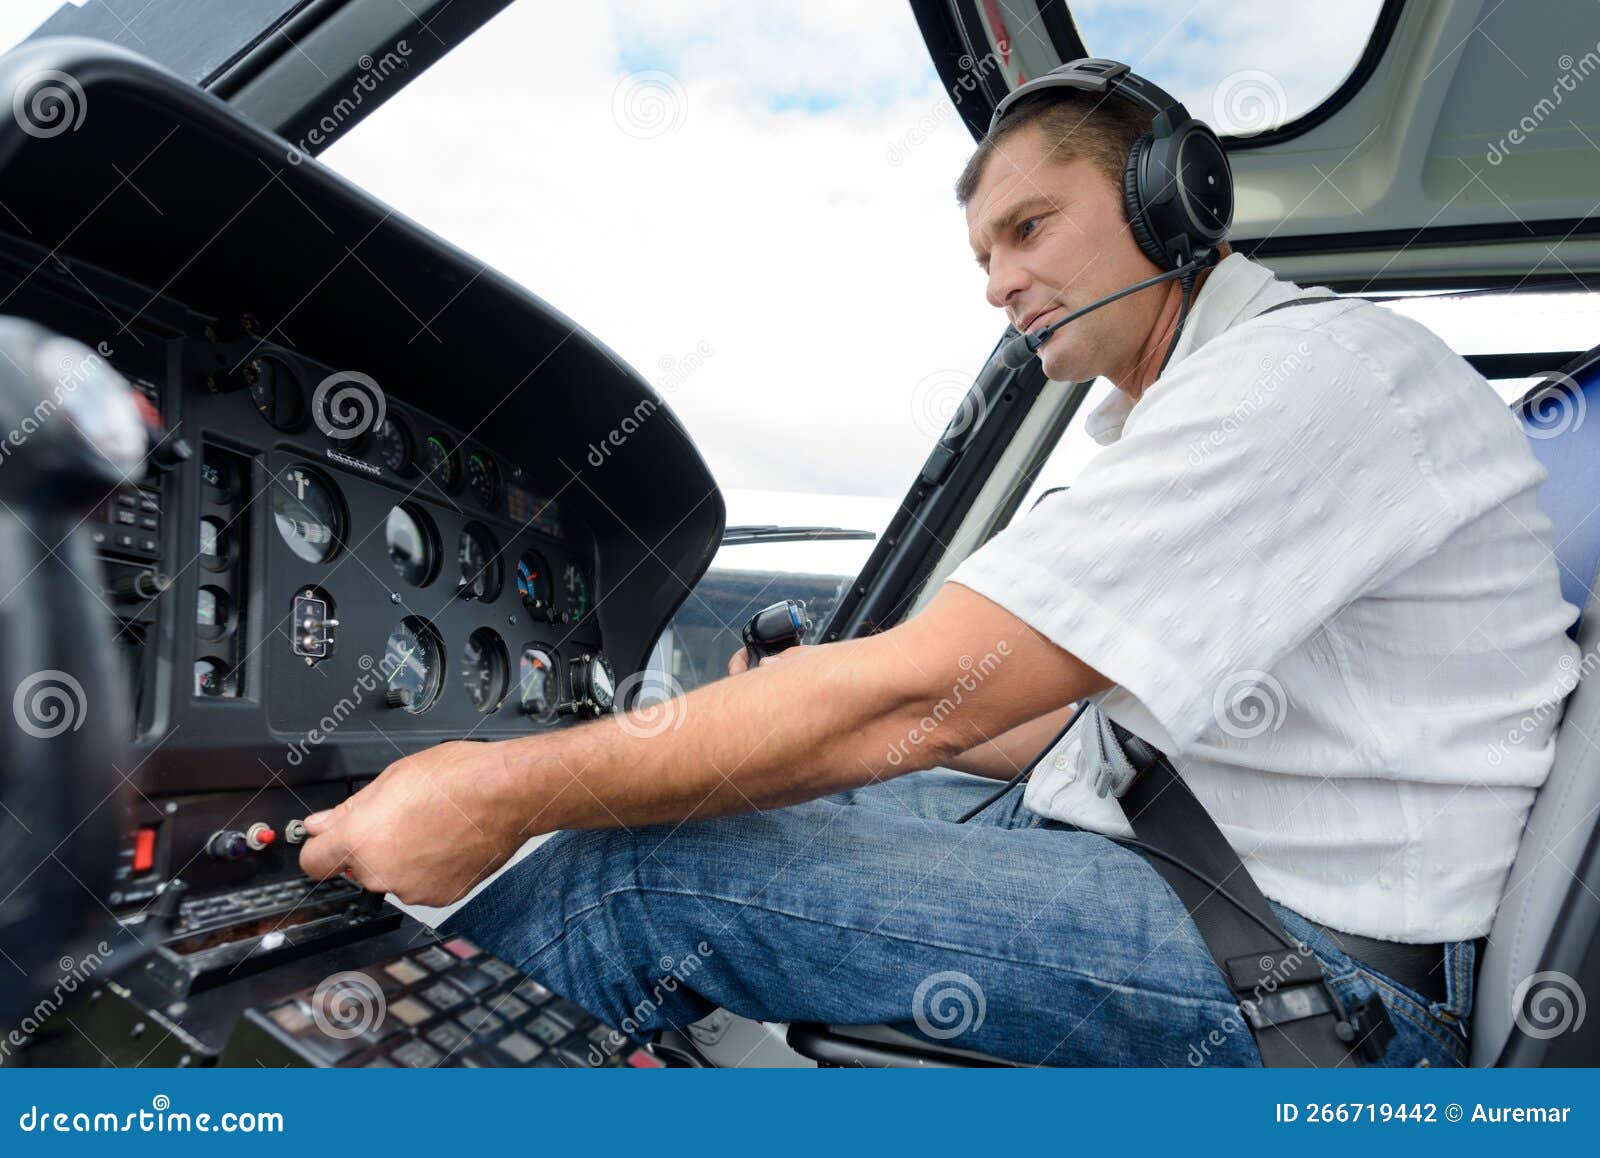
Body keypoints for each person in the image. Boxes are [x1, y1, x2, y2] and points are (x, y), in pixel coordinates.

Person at [298, 62, 1580, 1067]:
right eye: (983, 255)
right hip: (1239, 889)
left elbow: (914, 697)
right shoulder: (1213, 405)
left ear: (1168, 199)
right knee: (735, 802)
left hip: (1330, 997)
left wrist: (498, 789)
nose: (999, 284)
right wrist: (766, 741)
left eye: (1029, 229)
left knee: (632, 880)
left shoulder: (1300, 385)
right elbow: (1051, 734)